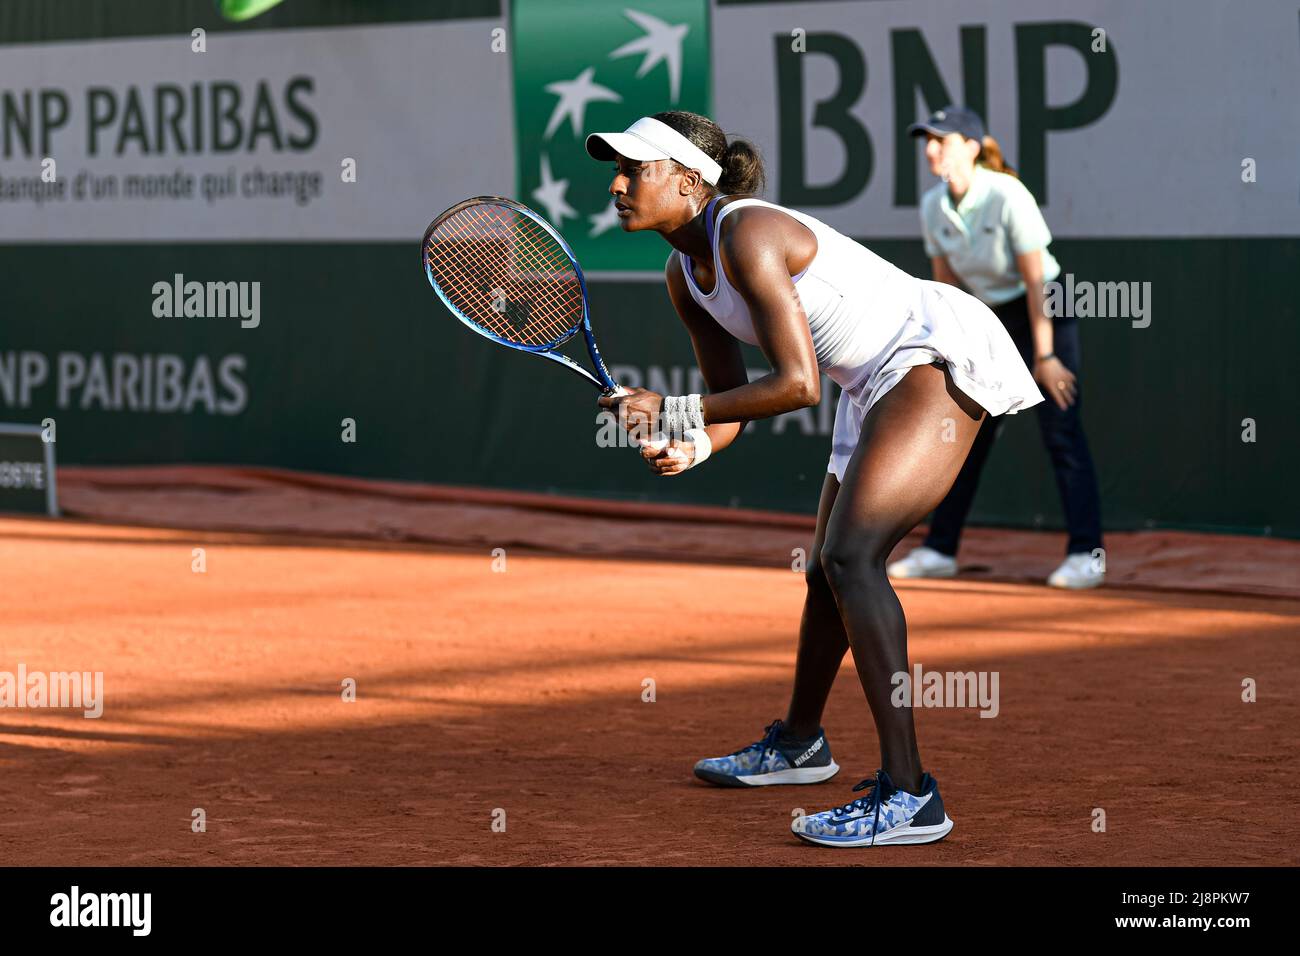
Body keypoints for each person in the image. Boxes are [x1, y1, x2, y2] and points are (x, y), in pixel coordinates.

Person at [586, 111, 1042, 847]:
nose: (617, 184)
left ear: (688, 181)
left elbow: (796, 385)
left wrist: (672, 409)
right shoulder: (683, 275)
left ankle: (910, 793)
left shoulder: (749, 234)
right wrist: (695, 445)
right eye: (618, 169)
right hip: (869, 384)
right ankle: (800, 743)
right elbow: (732, 404)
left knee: (850, 557)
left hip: (930, 353)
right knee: (825, 573)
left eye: (635, 169)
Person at [888, 106, 1105, 589]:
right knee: (963, 435)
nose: (930, 150)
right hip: (988, 319)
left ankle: (1086, 555)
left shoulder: (1008, 194)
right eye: (927, 141)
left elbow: (1036, 282)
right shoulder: (931, 206)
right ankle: (940, 549)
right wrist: (954, 350)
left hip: (1044, 309)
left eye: (940, 140)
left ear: (970, 145)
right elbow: (949, 289)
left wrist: (1045, 357)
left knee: (1062, 431)